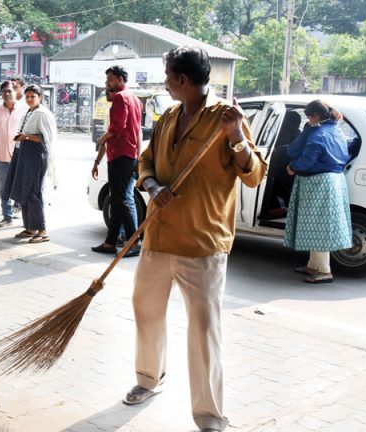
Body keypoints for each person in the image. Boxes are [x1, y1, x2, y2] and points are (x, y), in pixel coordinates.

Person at [124, 46, 267, 432]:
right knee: (146, 311)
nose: (166, 82)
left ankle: (209, 415)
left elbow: (253, 174)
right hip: (158, 235)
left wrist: (236, 135)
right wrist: (153, 187)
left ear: (182, 80)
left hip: (203, 244)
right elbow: (146, 161)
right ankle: (148, 379)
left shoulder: (226, 118)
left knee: (203, 330)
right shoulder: (170, 114)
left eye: (168, 76)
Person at [284, 100, 352, 284]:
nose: (308, 120)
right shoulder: (337, 130)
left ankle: (324, 271)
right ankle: (313, 265)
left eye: (308, 116)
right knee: (317, 225)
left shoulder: (317, 133)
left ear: (314, 116)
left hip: (318, 181)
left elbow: (303, 158)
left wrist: (293, 167)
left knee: (319, 227)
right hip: (335, 179)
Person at [91, 66, 141, 258]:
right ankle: (111, 242)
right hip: (129, 153)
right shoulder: (135, 98)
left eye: (109, 81)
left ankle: (134, 241)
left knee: (121, 199)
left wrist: (104, 137)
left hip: (120, 153)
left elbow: (118, 127)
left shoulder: (121, 97)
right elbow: (135, 131)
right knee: (119, 198)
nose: (107, 85)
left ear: (120, 80)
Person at [3, 84, 57, 243]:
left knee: (34, 192)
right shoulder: (30, 111)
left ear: (40, 97)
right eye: (27, 96)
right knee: (23, 190)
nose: (29, 99)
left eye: (33, 96)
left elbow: (46, 138)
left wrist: (26, 137)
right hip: (23, 153)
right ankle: (30, 228)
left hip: (36, 154)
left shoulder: (42, 113)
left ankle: (42, 230)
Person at [0, 80, 27, 228]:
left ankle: (25, 217)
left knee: (22, 187)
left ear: (15, 92)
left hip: (21, 156)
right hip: (2, 157)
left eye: (10, 91)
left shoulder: (24, 109)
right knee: (4, 188)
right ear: (1, 94)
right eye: (4, 91)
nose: (7, 94)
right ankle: (7, 217)